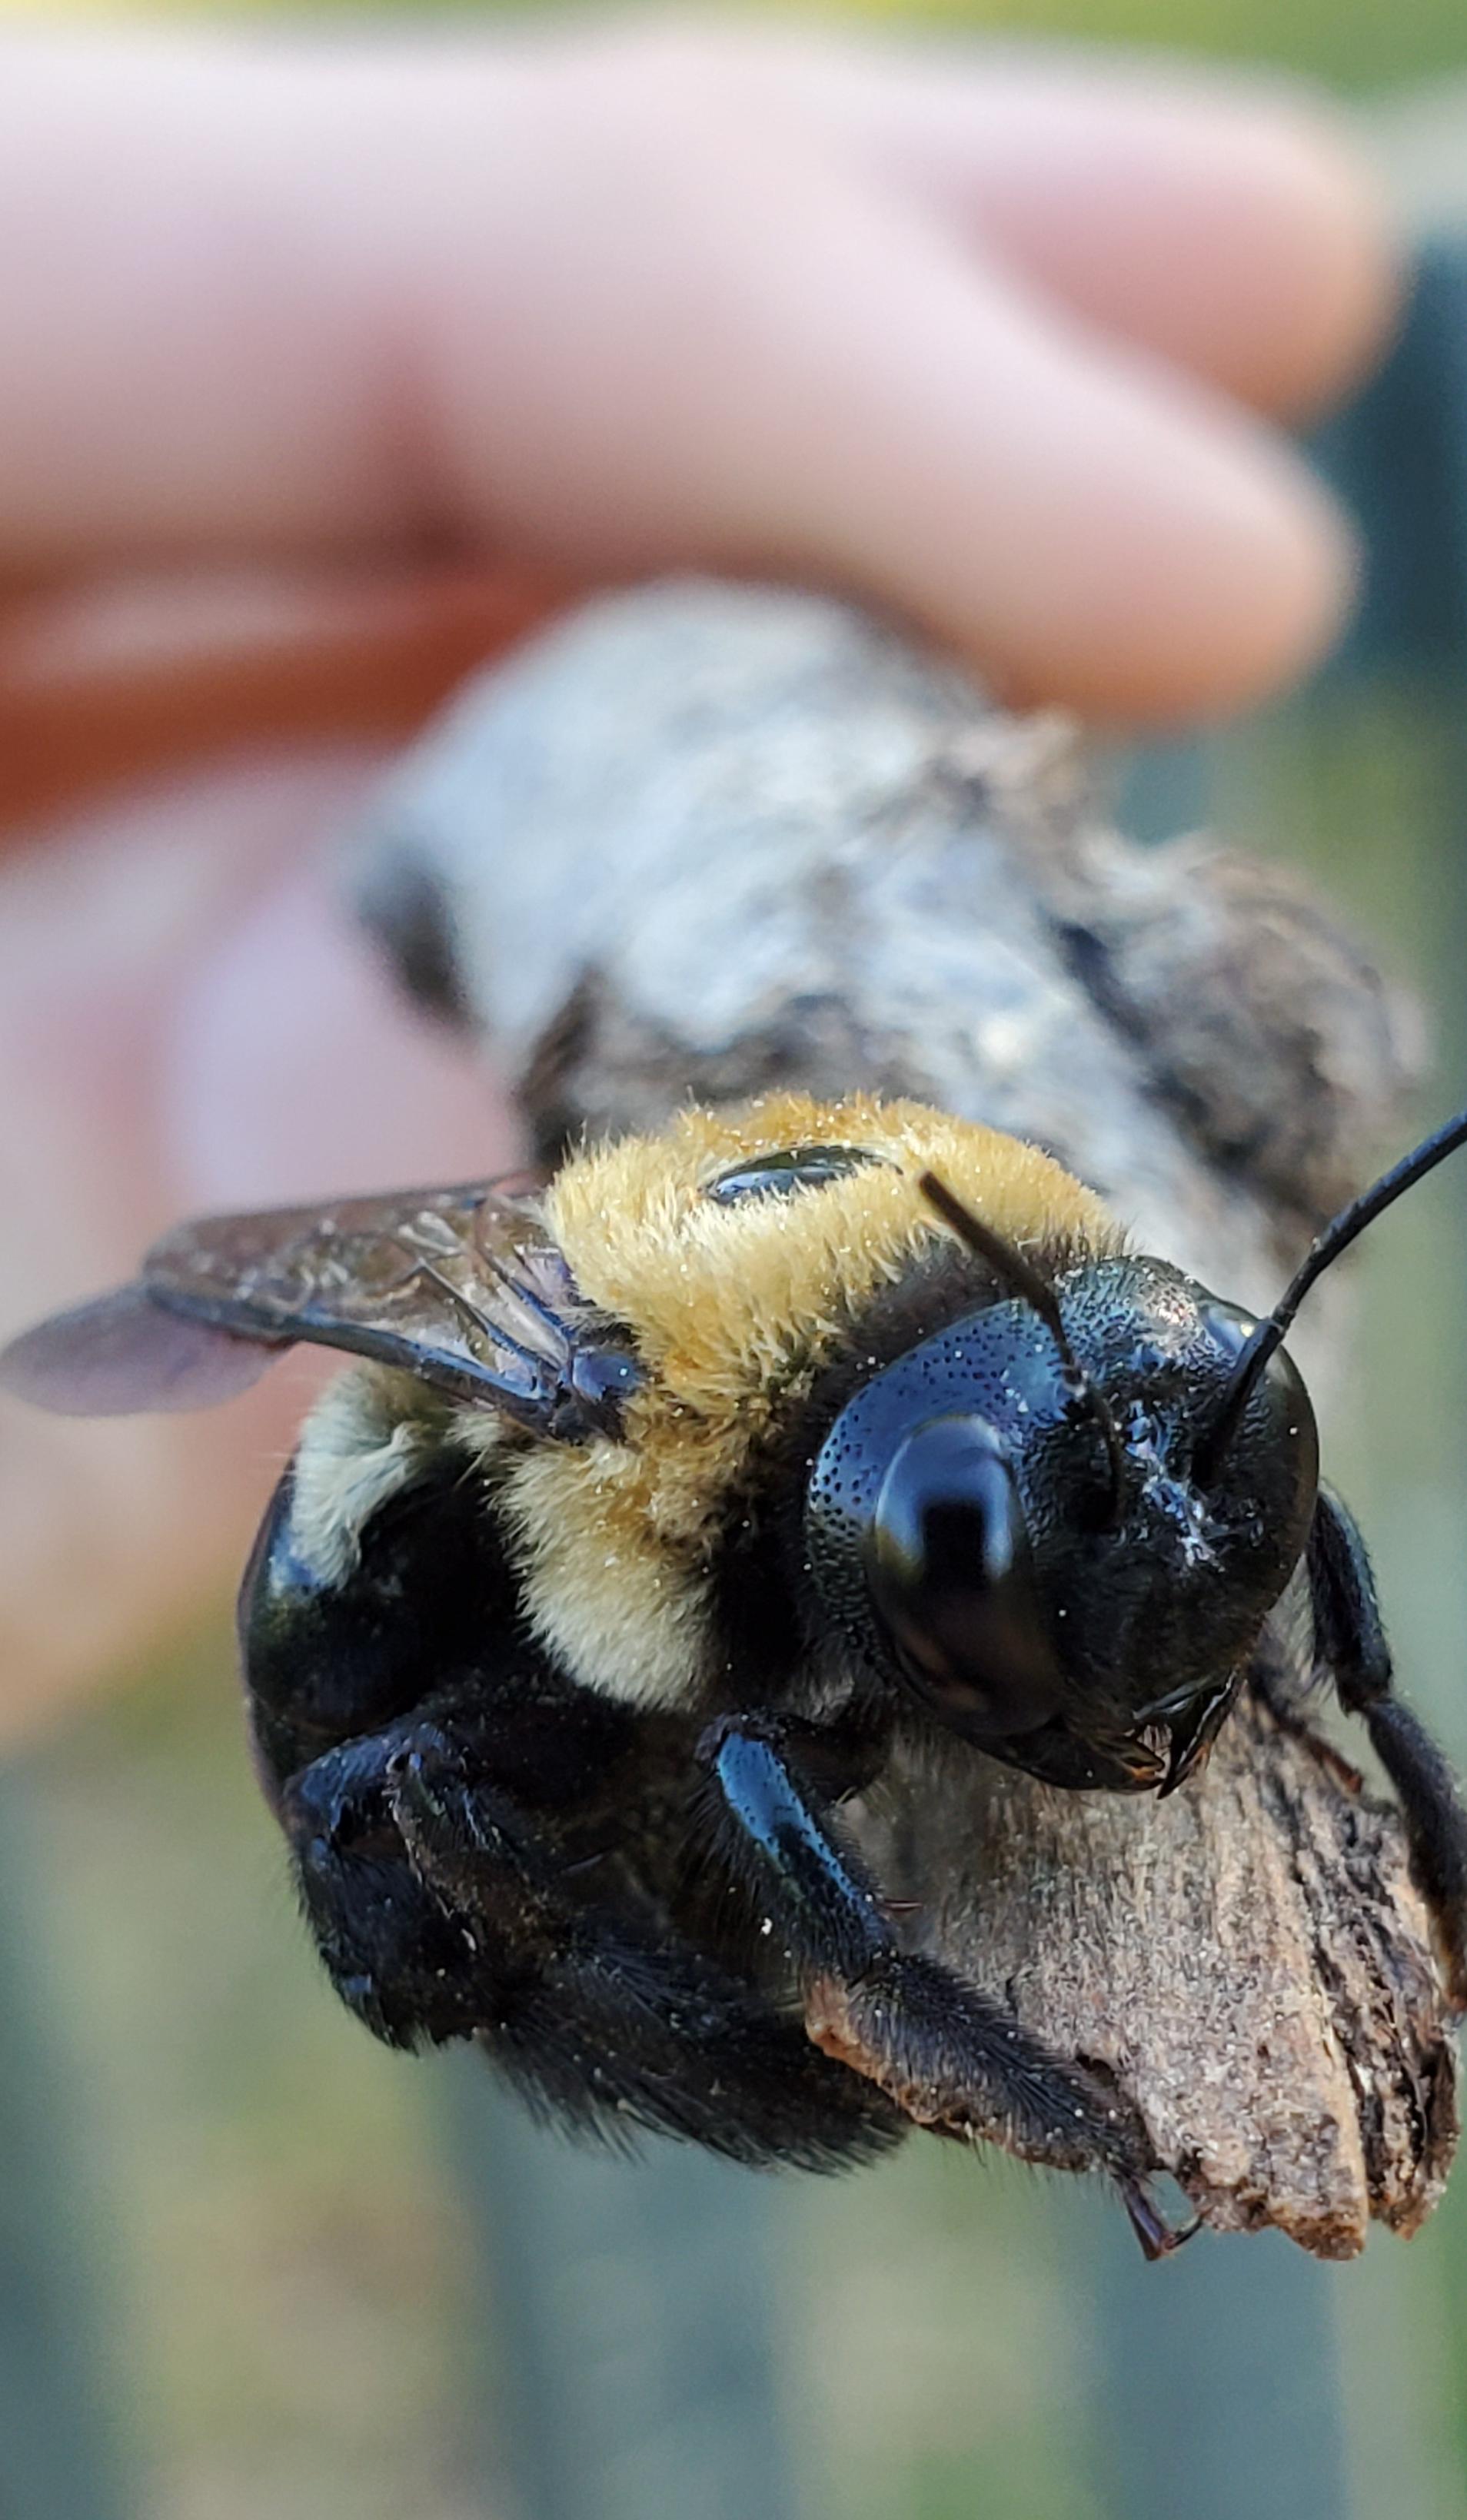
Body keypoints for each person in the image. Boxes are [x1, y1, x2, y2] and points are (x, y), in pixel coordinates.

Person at [0, 19, 1396, 1742]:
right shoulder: (652, 1417)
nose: (1188, 1544)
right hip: (412, 1627)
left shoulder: (988, 1345)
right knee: (646, 1762)